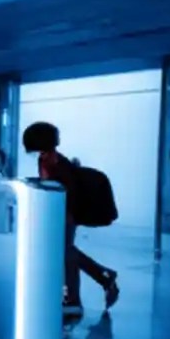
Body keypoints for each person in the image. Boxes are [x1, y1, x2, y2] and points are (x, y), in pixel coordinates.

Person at [23, 122, 119, 316]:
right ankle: (102, 277)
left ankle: (74, 299)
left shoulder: (58, 164)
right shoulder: (46, 159)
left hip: (66, 215)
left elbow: (66, 192)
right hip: (58, 214)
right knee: (66, 252)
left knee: (66, 253)